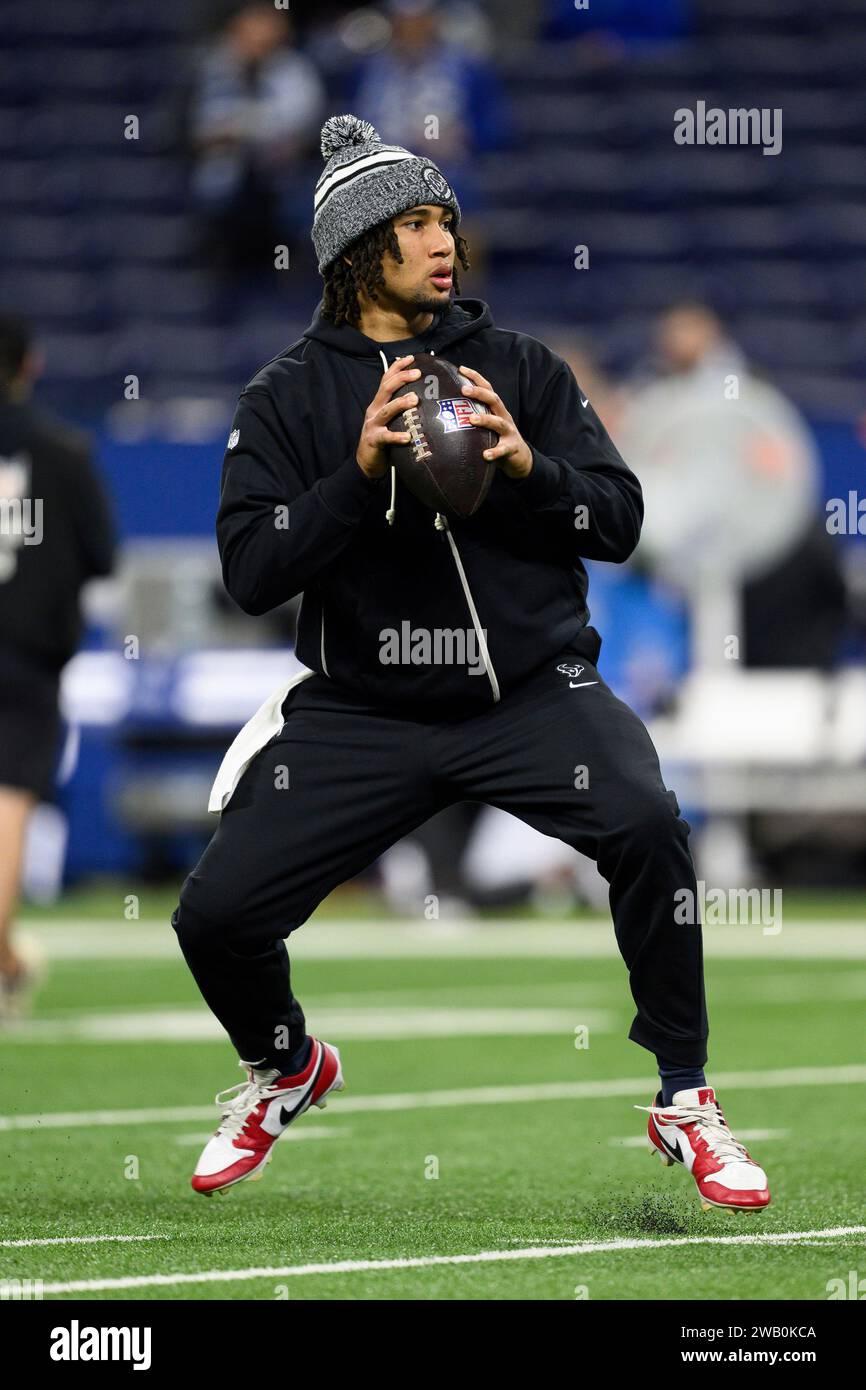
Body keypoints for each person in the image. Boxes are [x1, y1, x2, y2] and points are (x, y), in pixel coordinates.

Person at [171, 115, 770, 1212]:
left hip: (528, 691)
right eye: (413, 223)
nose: (443, 240)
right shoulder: (286, 398)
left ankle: (682, 1095)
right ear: (357, 252)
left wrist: (532, 465)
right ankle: (286, 1063)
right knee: (212, 919)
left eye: (446, 217)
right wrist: (353, 478)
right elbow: (250, 569)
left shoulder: (520, 368)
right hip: (365, 707)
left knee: (642, 822)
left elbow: (619, 519)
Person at [0, 315, 115, 1018]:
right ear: (30, 366)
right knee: (10, 802)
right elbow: (101, 554)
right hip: (26, 654)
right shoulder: (62, 451)